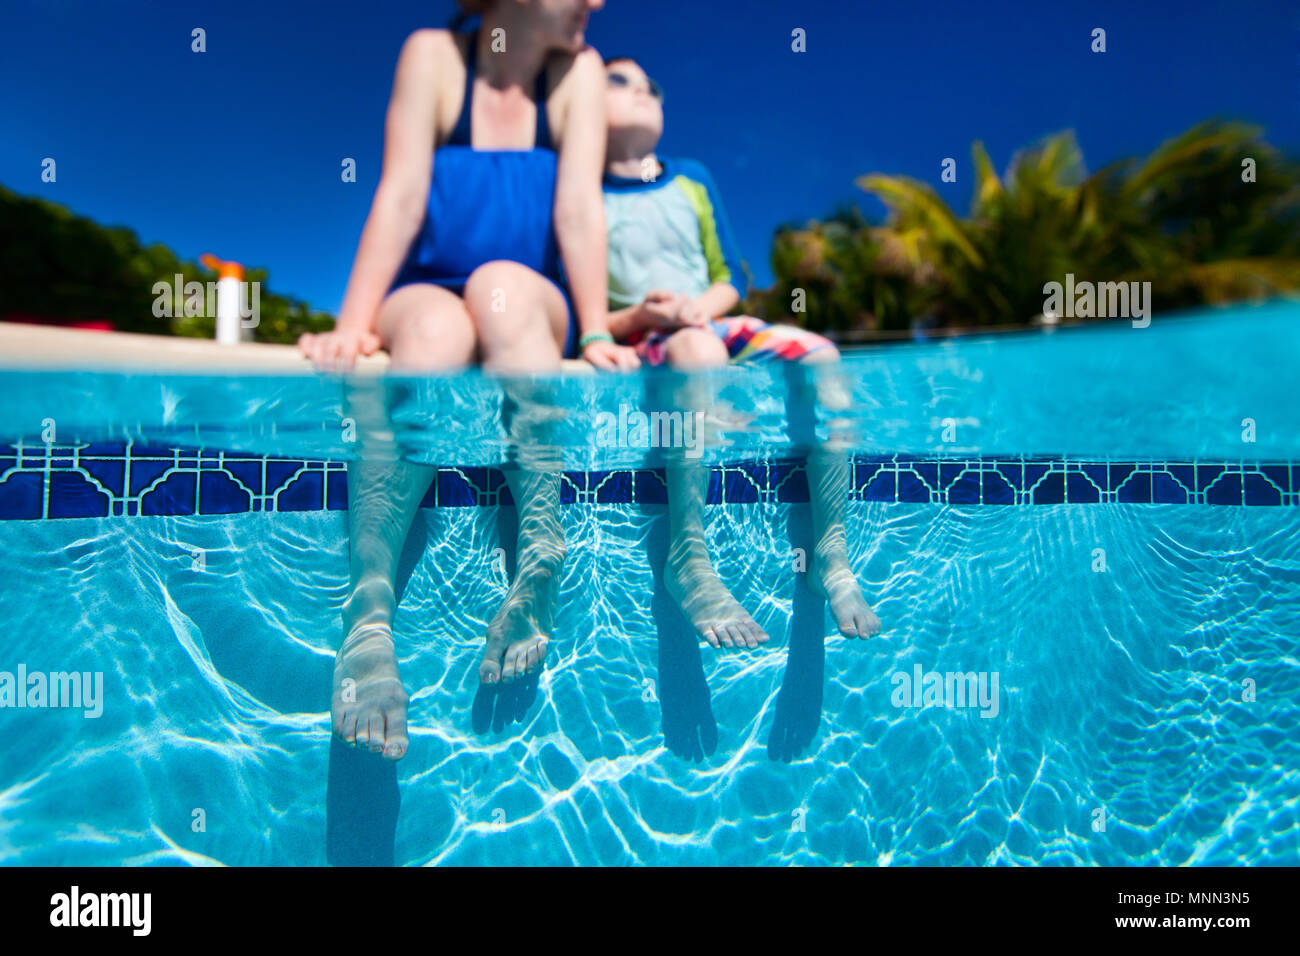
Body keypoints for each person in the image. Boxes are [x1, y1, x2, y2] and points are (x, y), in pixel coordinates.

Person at [298, 0, 637, 762]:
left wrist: (594, 330)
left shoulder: (576, 75)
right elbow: (402, 194)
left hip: (527, 296)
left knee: (503, 287)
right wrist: (354, 324)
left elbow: (580, 209)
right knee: (433, 333)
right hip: (430, 288)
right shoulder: (433, 56)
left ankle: (539, 555)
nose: (596, 2)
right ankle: (368, 619)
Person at [600, 55, 881, 649]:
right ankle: (689, 555)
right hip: (647, 334)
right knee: (697, 352)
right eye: (620, 80)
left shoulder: (692, 177)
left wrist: (704, 304)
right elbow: (583, 310)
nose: (645, 89)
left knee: (822, 354)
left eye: (652, 83)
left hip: (713, 318)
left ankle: (832, 553)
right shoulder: (581, 195)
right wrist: (642, 317)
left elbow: (729, 273)